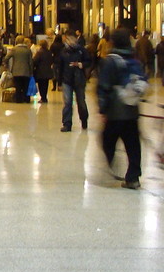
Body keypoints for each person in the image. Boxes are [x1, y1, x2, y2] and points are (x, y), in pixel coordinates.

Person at [97, 28, 143, 189]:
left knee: (107, 140)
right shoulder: (134, 59)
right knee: (133, 144)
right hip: (131, 109)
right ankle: (133, 177)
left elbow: (104, 86)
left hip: (115, 110)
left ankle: (111, 166)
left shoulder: (109, 61)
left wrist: (103, 108)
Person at [58, 34, 90, 132]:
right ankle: (67, 124)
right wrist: (59, 82)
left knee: (81, 101)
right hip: (66, 79)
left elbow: (89, 61)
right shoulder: (63, 52)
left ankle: (84, 119)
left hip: (79, 79)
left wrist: (80, 64)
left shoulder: (81, 50)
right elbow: (60, 67)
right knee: (67, 102)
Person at [5, 36, 34, 103]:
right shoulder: (28, 50)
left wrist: (6, 66)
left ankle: (18, 100)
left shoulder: (14, 49)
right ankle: (26, 99)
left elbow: (6, 58)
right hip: (26, 71)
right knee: (26, 87)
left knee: (18, 87)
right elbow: (30, 62)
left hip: (16, 71)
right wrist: (31, 71)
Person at [33, 39, 54, 103]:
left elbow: (35, 61)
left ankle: (43, 97)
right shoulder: (49, 52)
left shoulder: (39, 52)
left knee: (41, 85)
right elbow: (51, 60)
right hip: (47, 70)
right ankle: (44, 97)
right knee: (46, 84)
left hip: (40, 71)